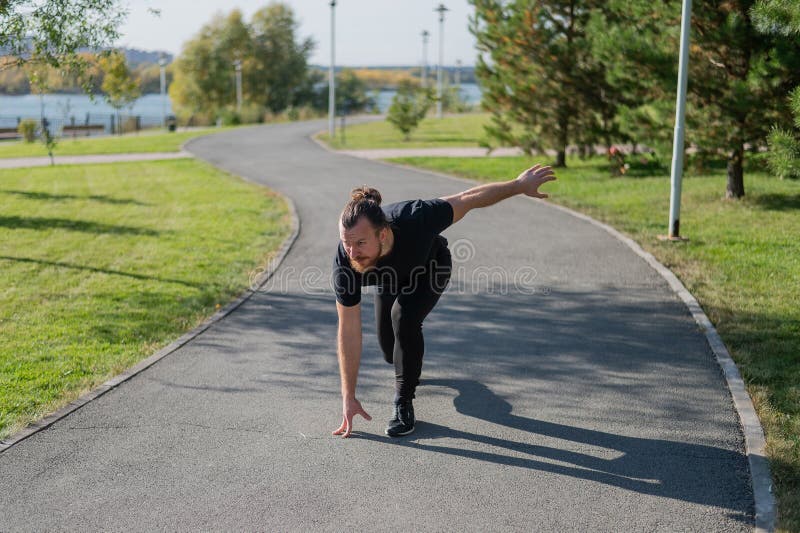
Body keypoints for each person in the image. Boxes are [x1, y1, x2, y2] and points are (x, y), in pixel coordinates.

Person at [331, 164, 556, 438]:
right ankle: (409, 368)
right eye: (346, 243)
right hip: (388, 279)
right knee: (391, 352)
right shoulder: (346, 262)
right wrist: (348, 396)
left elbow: (467, 198)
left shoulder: (417, 217)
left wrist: (518, 185)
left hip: (430, 268)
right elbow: (349, 330)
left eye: (360, 244)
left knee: (404, 319)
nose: (352, 252)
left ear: (383, 233)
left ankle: (403, 404)